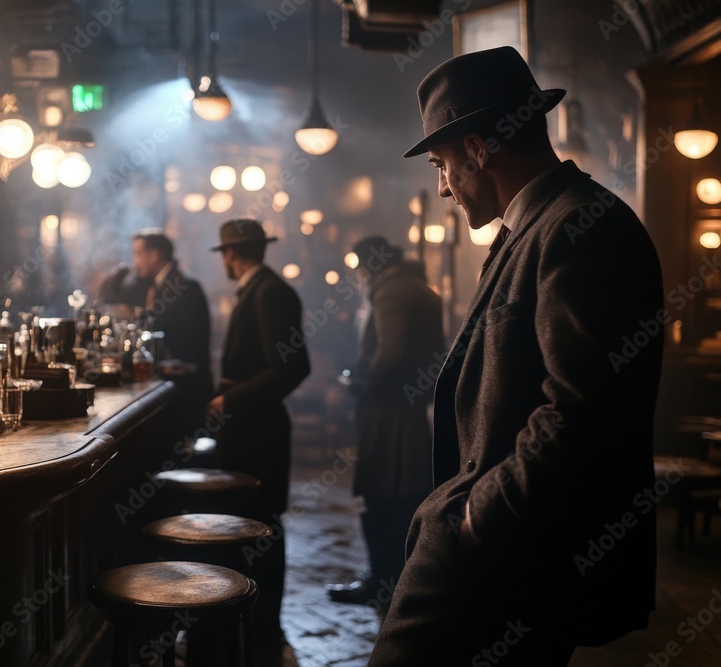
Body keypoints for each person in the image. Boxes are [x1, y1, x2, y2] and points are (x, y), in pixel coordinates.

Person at [368, 47, 663, 665]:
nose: (443, 187)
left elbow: (582, 411)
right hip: (498, 546)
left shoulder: (581, 228)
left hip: (507, 551)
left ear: (478, 150)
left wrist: (477, 517)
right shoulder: (536, 228)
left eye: (442, 165)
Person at [209, 218, 311, 665]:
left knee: (262, 529)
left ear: (231, 254)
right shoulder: (259, 288)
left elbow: (292, 367)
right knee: (250, 526)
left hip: (259, 431)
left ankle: (264, 628)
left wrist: (231, 398)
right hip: (249, 428)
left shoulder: (270, 292)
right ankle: (250, 623)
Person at [326, 237, 443, 608]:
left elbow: (389, 353)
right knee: (404, 493)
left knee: (382, 493)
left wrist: (361, 383)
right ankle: (399, 578)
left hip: (387, 408)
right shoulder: (415, 286)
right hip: (407, 406)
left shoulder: (391, 291)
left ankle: (383, 580)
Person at [131, 228, 213, 430]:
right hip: (173, 389)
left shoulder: (185, 288)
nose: (135, 262)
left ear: (154, 255)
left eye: (138, 254)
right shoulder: (156, 286)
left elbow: (187, 346)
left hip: (184, 393)